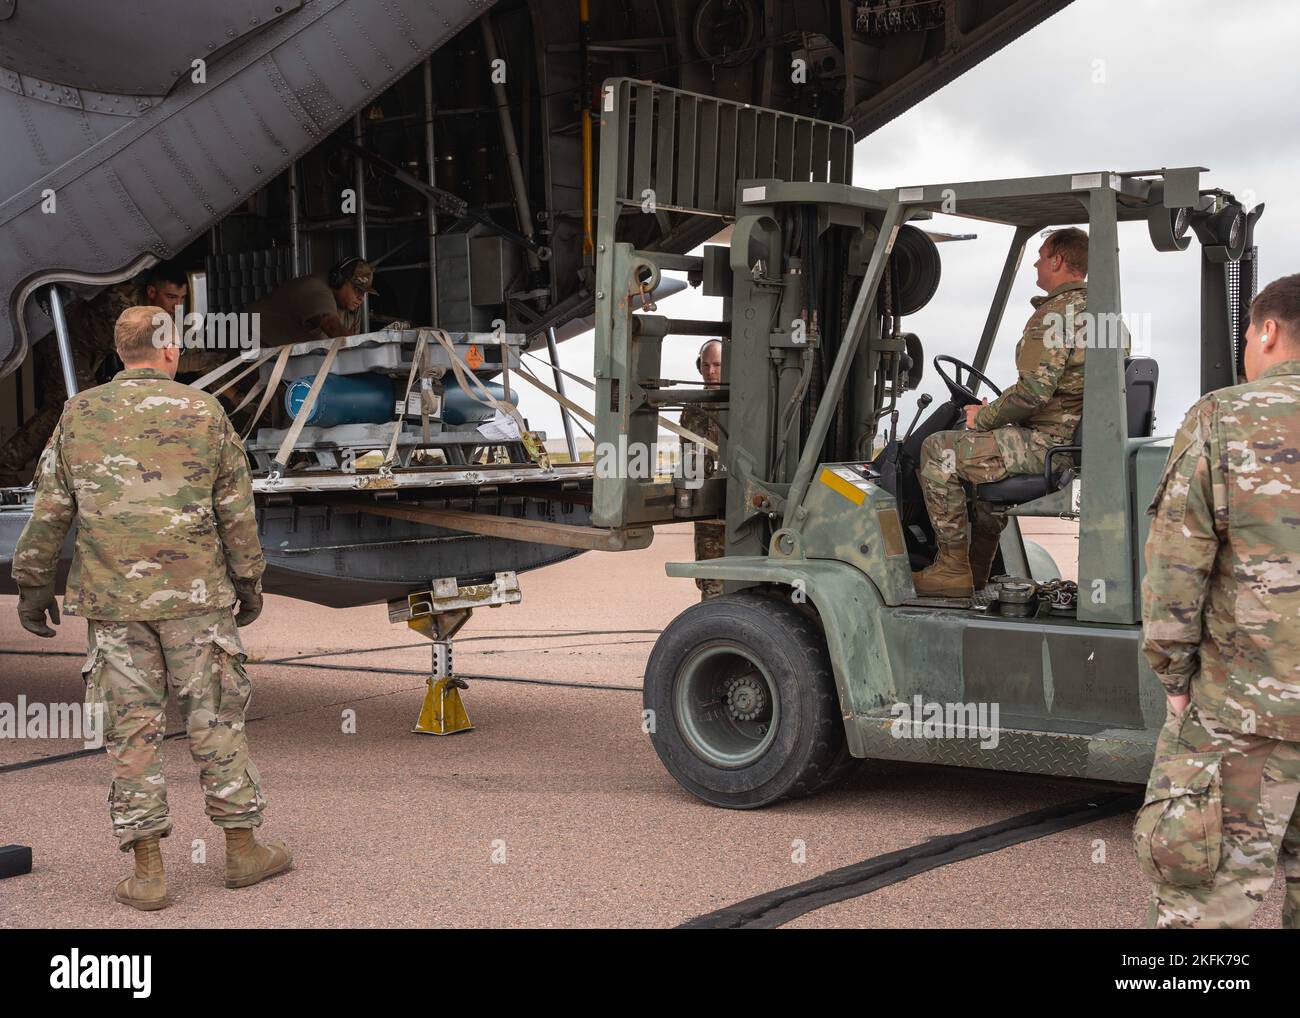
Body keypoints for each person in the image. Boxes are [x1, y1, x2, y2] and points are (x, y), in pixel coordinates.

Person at [11, 306, 292, 910]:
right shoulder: (204, 411)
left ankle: (148, 873)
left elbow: (50, 509)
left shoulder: (78, 414)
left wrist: (34, 586)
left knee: (130, 731)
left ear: (119, 352)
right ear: (168, 351)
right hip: (196, 600)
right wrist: (249, 583)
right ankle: (242, 851)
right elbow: (235, 512)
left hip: (113, 604)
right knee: (215, 719)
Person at [1135, 273, 1300, 929]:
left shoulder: (1222, 419)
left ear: (1267, 330)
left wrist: (1176, 677)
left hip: (1243, 716)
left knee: (1201, 915)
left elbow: (1178, 564)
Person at [913, 227, 1091, 596]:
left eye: (1041, 256)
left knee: (939, 450)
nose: (1036, 263)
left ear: (1058, 260)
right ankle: (976, 573)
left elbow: (1032, 394)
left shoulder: (1055, 315)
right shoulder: (1106, 317)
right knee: (979, 466)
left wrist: (984, 416)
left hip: (1046, 444)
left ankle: (950, 569)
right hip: (1071, 443)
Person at [0, 264, 189, 480]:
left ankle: (23, 463)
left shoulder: (155, 313)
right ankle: (15, 461)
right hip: (66, 341)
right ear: (152, 292)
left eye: (182, 298)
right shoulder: (123, 306)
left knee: (62, 409)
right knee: (82, 405)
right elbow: (153, 356)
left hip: (87, 350)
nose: (177, 305)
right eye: (171, 297)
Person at [245, 255, 376, 347]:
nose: (361, 297)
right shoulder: (315, 289)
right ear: (339, 280)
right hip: (250, 341)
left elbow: (350, 345)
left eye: (364, 292)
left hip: (280, 353)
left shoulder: (350, 305)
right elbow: (331, 326)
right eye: (356, 289)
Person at [681, 338, 724, 600]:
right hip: (707, 509)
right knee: (711, 581)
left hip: (740, 509)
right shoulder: (692, 409)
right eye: (706, 365)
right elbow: (687, 456)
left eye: (717, 365)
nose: (710, 371)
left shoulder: (747, 404)